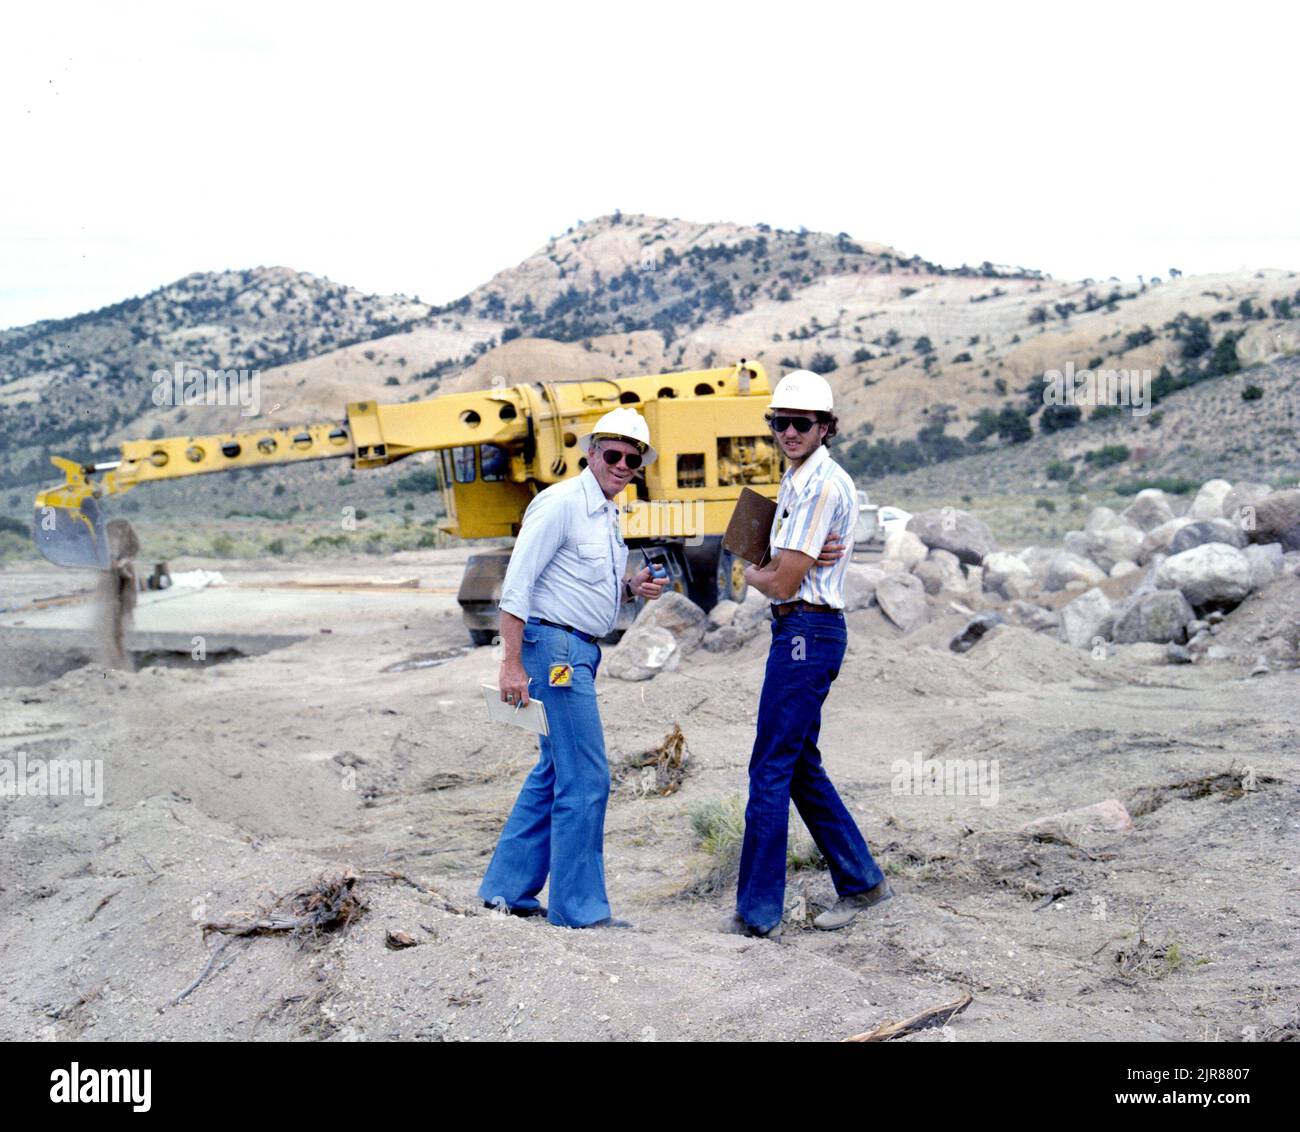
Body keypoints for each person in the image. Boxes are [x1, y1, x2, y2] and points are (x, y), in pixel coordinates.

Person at [479, 407, 667, 929]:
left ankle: (505, 891)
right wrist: (510, 663)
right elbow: (517, 585)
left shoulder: (606, 515)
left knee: (555, 770)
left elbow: (577, 586)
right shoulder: (560, 504)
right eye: (614, 454)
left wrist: (631, 589)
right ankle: (578, 911)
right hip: (555, 655)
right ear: (591, 453)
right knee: (587, 775)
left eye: (633, 460)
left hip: (578, 649)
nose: (623, 465)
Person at [731, 370, 891, 939]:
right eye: (781, 422)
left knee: (771, 767)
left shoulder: (821, 484)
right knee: (798, 764)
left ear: (826, 427)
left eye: (802, 424)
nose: (789, 432)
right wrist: (772, 564)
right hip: (802, 630)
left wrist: (756, 570)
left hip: (806, 630)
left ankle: (757, 915)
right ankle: (862, 881)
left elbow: (779, 582)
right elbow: (777, 569)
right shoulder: (798, 478)